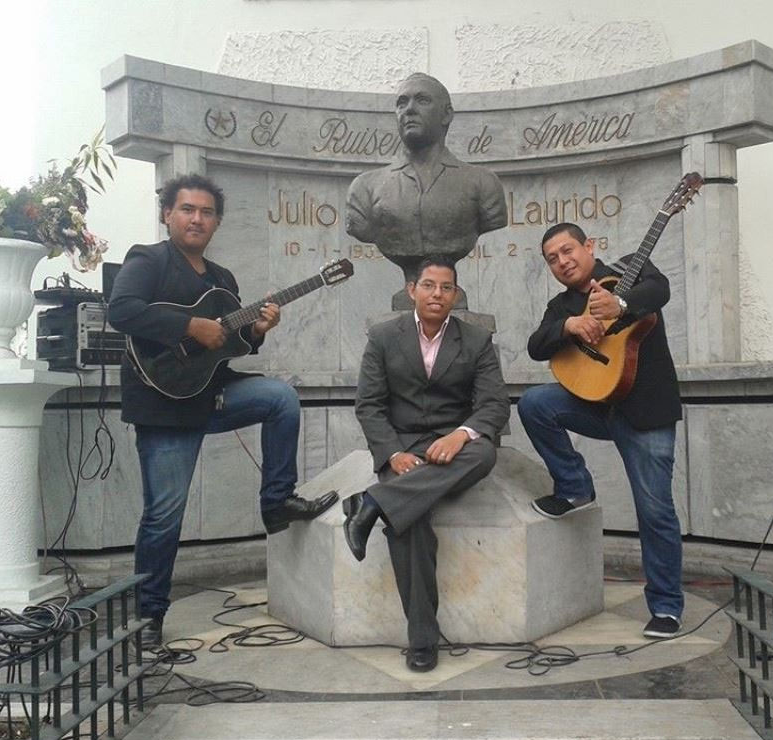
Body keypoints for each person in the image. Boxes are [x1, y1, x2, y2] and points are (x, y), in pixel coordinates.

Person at [109, 173, 337, 649]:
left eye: (207, 212)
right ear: (167, 214)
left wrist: (257, 330)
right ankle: (148, 616)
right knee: (164, 517)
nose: (197, 219)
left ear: (217, 222)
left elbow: (229, 345)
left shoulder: (222, 280)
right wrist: (189, 325)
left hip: (211, 392)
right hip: (165, 404)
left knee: (280, 398)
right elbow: (122, 311)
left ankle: (276, 502)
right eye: (187, 209)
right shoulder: (146, 259)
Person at [517, 222, 684, 639]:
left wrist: (620, 303)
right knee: (535, 404)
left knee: (655, 512)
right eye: (552, 259)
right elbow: (537, 345)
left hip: (645, 413)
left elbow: (659, 290)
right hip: (595, 405)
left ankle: (665, 607)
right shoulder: (562, 305)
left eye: (568, 250)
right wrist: (569, 327)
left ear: (589, 246)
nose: (562, 262)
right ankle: (574, 487)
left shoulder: (632, 268)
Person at [342, 257, 509, 671]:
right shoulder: (383, 336)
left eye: (446, 288)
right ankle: (422, 639)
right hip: (402, 447)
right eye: (429, 286)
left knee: (484, 451)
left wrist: (460, 434)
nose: (437, 295)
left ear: (455, 294)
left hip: (453, 446)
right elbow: (369, 405)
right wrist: (393, 454)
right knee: (410, 520)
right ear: (413, 290)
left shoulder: (476, 339)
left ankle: (373, 502)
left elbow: (494, 404)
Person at [346, 72, 507, 308]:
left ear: (447, 114)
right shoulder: (364, 188)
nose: (409, 109)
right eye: (402, 103)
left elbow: (494, 220)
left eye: (422, 100)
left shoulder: (483, 183)